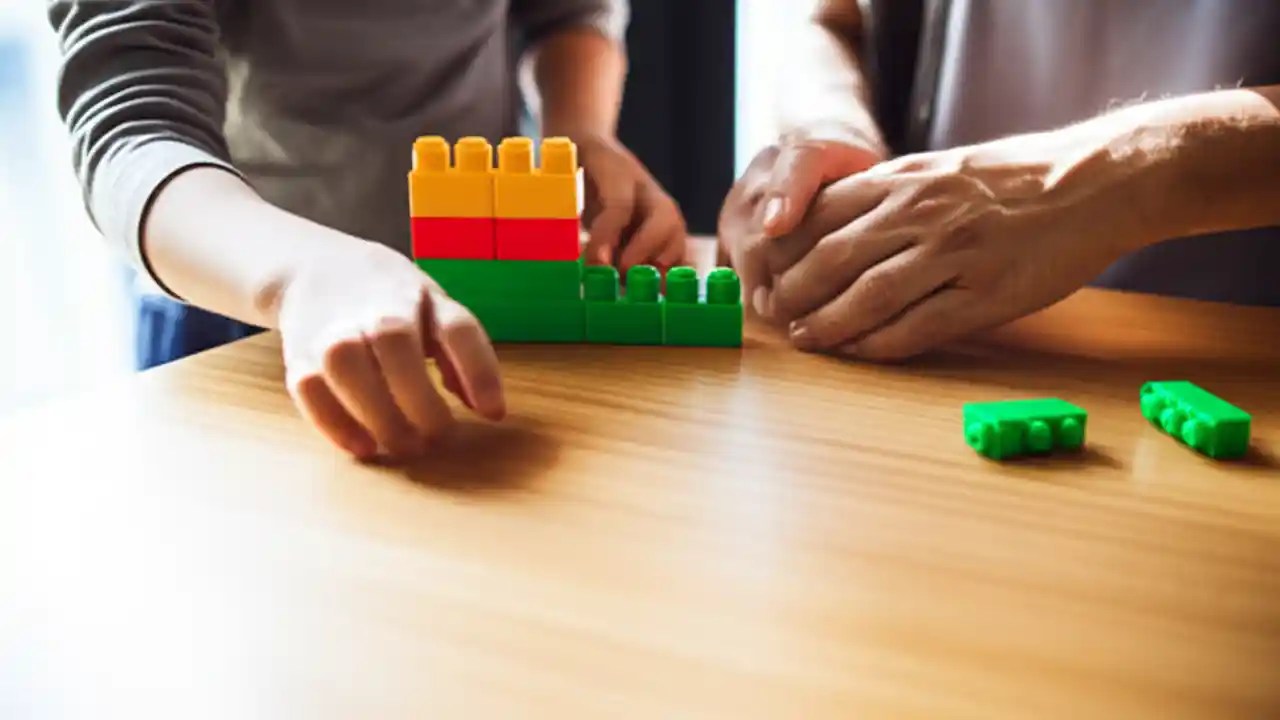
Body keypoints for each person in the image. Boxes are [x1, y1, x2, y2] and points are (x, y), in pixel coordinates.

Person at [48, 1, 686, 461]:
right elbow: (133, 132)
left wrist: (576, 133)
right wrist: (301, 276)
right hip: (242, 315)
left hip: (479, 298)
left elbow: (567, 14)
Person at [720, 0, 1280, 361]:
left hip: (1234, 356)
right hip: (955, 351)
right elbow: (835, 22)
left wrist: (1083, 181)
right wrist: (831, 129)